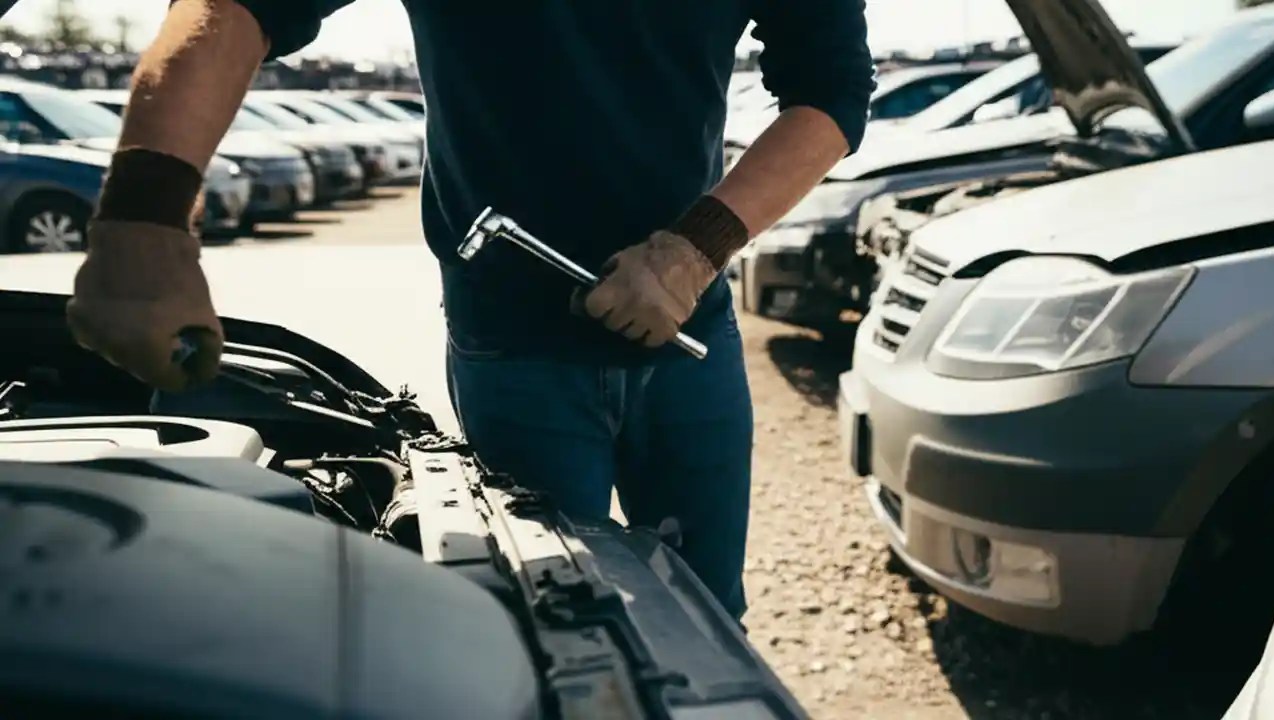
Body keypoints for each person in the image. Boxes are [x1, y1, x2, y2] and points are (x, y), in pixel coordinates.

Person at [66, 0, 875, 620]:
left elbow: (832, 90)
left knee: (707, 615)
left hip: (687, 336)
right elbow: (243, 6)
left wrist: (693, 250)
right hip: (512, 349)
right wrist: (144, 221)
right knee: (548, 617)